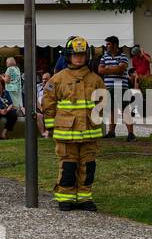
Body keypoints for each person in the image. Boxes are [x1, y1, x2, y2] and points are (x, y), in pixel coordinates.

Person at [39, 36, 104, 210]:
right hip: (66, 132)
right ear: (68, 56)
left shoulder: (96, 80)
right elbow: (49, 104)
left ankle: (84, 197)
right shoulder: (57, 79)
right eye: (75, 54)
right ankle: (65, 198)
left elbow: (102, 105)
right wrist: (51, 126)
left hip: (90, 132)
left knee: (88, 166)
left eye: (82, 54)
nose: (79, 57)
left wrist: (97, 123)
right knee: (68, 165)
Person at [97, 36, 133, 141]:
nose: (106, 46)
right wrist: (113, 69)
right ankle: (111, 132)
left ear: (115, 45)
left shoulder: (123, 56)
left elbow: (121, 69)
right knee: (112, 109)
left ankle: (131, 133)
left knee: (124, 109)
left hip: (121, 86)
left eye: (109, 44)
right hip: (109, 86)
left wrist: (107, 68)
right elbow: (100, 70)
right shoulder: (104, 57)